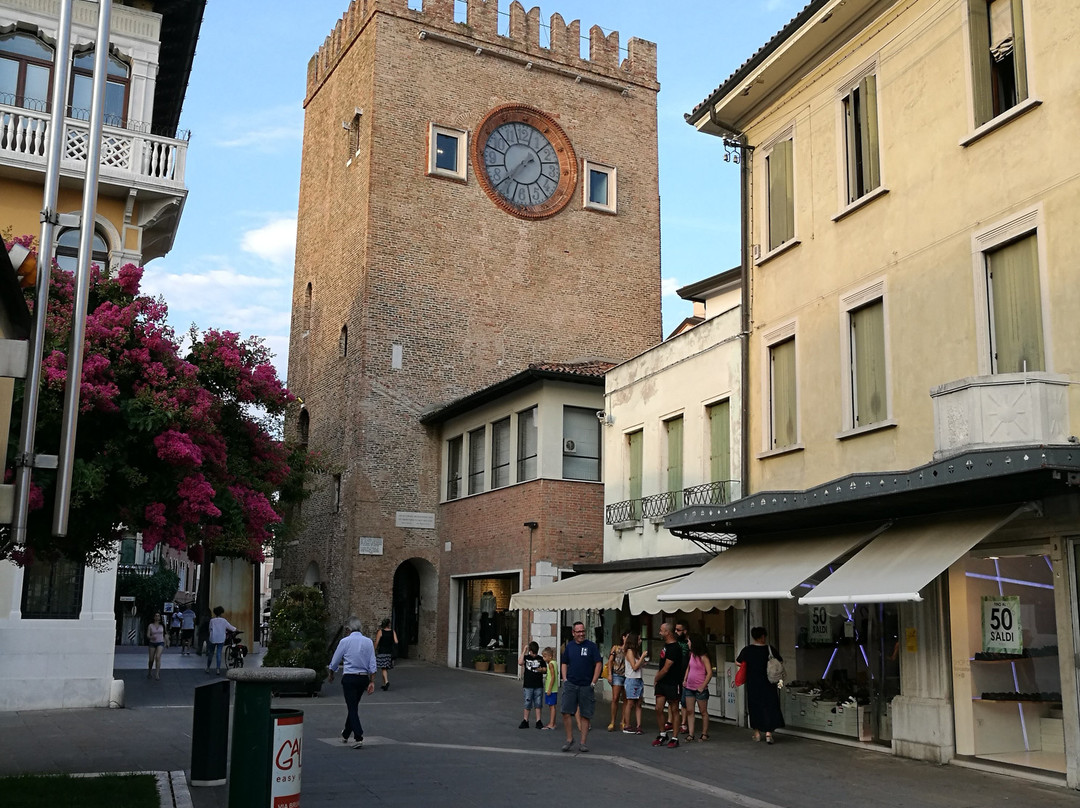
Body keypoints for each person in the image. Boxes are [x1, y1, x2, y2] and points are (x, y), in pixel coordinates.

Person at [328, 617, 377, 749]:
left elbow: (335, 659)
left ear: (348, 629)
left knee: (352, 707)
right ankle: (345, 734)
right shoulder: (368, 642)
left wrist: (332, 673)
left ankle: (358, 736)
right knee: (353, 705)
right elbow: (372, 663)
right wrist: (372, 681)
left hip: (349, 677)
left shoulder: (345, 641)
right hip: (363, 678)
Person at [559, 621, 602, 753]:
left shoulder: (591, 646)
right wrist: (565, 679)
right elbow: (564, 662)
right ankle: (569, 739)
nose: (581, 634)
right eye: (578, 632)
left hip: (586, 685)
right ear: (573, 633)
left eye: (583, 631)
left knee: (585, 714)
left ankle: (583, 742)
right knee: (566, 712)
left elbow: (598, 663)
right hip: (571, 684)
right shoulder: (570, 646)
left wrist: (593, 682)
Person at [737, 626, 785, 744]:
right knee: (769, 706)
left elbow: (738, 662)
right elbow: (780, 662)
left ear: (753, 637)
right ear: (763, 637)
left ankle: (757, 733)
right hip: (769, 683)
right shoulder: (770, 649)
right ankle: (769, 734)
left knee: (755, 707)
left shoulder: (747, 650)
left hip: (753, 684)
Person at [651, 622, 683, 748]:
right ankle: (663, 734)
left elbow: (666, 668)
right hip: (663, 682)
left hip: (672, 682)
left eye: (661, 630)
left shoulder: (675, 648)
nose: (659, 632)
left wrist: (656, 678)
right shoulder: (666, 646)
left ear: (667, 632)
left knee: (674, 709)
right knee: (658, 708)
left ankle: (675, 737)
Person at [682, 633, 714, 741]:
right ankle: (691, 734)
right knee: (690, 711)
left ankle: (704, 733)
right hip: (689, 687)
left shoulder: (704, 657)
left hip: (700, 688)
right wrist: (685, 679)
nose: (688, 643)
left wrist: (703, 685)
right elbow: (688, 668)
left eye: (689, 641)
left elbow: (709, 673)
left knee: (703, 711)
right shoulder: (691, 655)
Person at [620, 632, 648, 734]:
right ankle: (627, 725)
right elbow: (634, 667)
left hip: (638, 678)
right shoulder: (630, 651)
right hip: (631, 679)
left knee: (638, 703)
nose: (640, 641)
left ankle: (638, 726)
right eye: (639, 639)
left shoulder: (636, 652)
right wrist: (642, 657)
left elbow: (638, 665)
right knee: (630, 702)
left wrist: (642, 662)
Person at [518, 641, 545, 729]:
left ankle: (538, 720)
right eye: (532, 653)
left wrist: (541, 669)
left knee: (538, 703)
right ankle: (525, 720)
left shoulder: (540, 659)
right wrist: (524, 650)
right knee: (527, 702)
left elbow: (545, 669)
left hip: (538, 685)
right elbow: (520, 662)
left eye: (535, 653)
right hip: (528, 685)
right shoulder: (526, 657)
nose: (533, 655)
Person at [606, 631, 628, 731]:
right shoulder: (616, 648)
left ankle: (623, 721)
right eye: (627, 636)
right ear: (623, 637)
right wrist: (610, 674)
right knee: (615, 698)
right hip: (617, 674)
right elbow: (610, 660)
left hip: (627, 675)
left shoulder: (630, 649)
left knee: (626, 699)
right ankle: (612, 721)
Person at [205, 606, 236, 676]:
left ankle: (208, 667)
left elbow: (210, 629)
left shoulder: (212, 620)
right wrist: (236, 629)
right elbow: (231, 627)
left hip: (213, 638)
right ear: (221, 613)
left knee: (211, 653)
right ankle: (218, 669)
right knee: (219, 654)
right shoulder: (224, 621)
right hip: (221, 638)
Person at [674, 619, 691, 733]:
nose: (676, 632)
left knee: (685, 700)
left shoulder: (690, 642)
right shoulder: (675, 642)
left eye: (678, 630)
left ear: (685, 631)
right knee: (675, 698)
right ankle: (673, 721)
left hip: (688, 674)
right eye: (675, 629)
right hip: (676, 673)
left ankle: (684, 723)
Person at [373, 618, 398, 691]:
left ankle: (386, 682)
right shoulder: (392, 632)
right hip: (389, 652)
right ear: (389, 624)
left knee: (383, 667)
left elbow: (376, 642)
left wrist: (373, 651)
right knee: (385, 667)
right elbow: (396, 641)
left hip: (382, 652)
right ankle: (384, 684)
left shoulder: (380, 632)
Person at [541, 647, 558, 729]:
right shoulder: (554, 663)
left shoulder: (551, 664)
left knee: (551, 706)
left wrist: (549, 689)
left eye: (545, 656)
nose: (543, 658)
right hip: (553, 688)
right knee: (552, 706)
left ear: (550, 656)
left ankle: (551, 724)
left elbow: (553, 677)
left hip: (551, 689)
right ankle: (553, 723)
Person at [146, 612, 165, 680]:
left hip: (160, 642)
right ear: (154, 617)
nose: (157, 617)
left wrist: (167, 641)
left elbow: (165, 634)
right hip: (152, 643)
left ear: (160, 617)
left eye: (158, 616)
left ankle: (157, 674)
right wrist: (151, 637)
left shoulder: (162, 625)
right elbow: (148, 635)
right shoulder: (150, 625)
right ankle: (149, 671)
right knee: (151, 659)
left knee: (158, 657)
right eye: (156, 616)